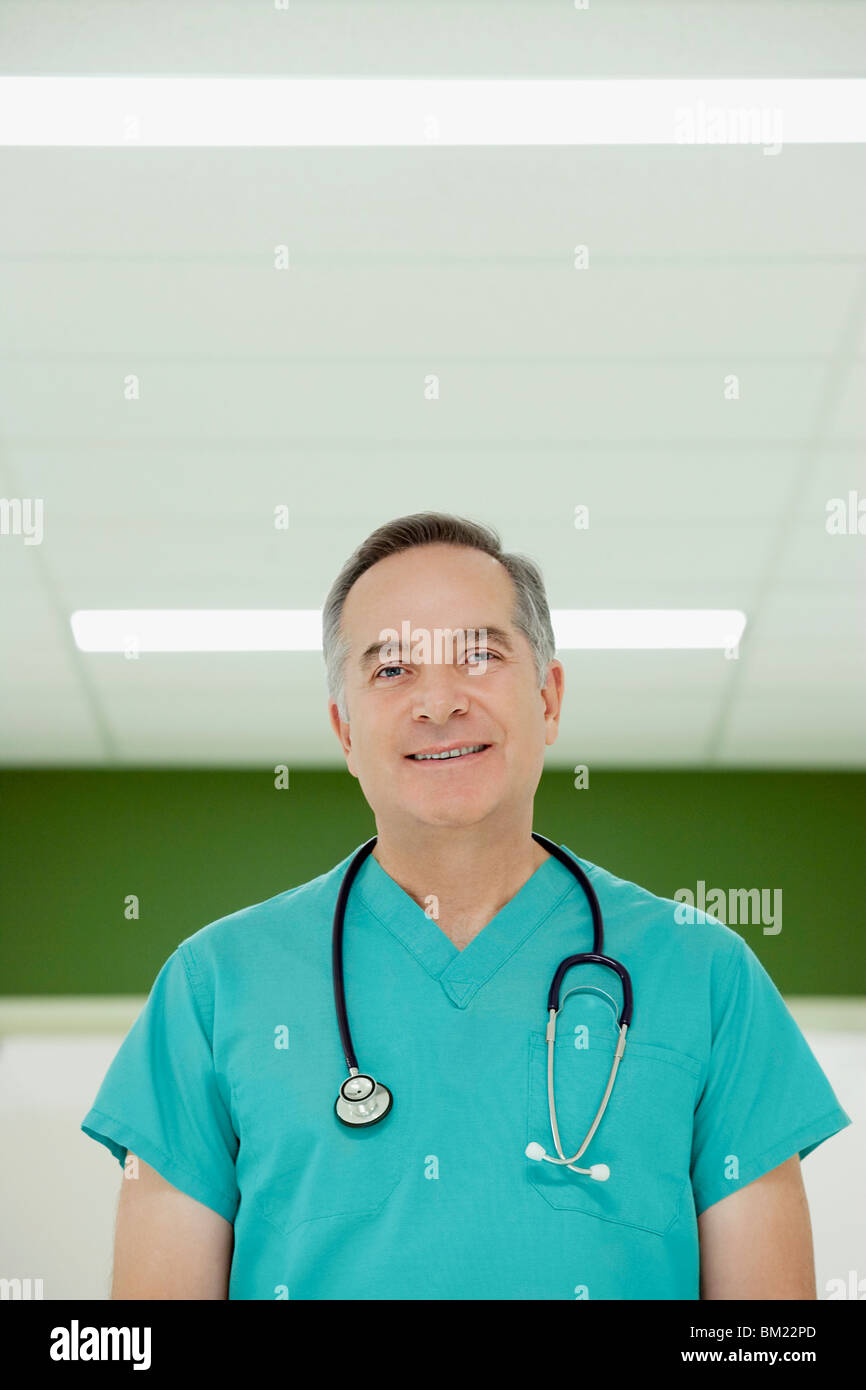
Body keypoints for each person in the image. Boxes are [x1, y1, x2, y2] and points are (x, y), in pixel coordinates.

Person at [81, 511, 851, 1300]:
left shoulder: (704, 972)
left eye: (479, 656)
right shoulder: (215, 987)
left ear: (549, 699)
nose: (439, 701)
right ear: (344, 730)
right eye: (391, 670)